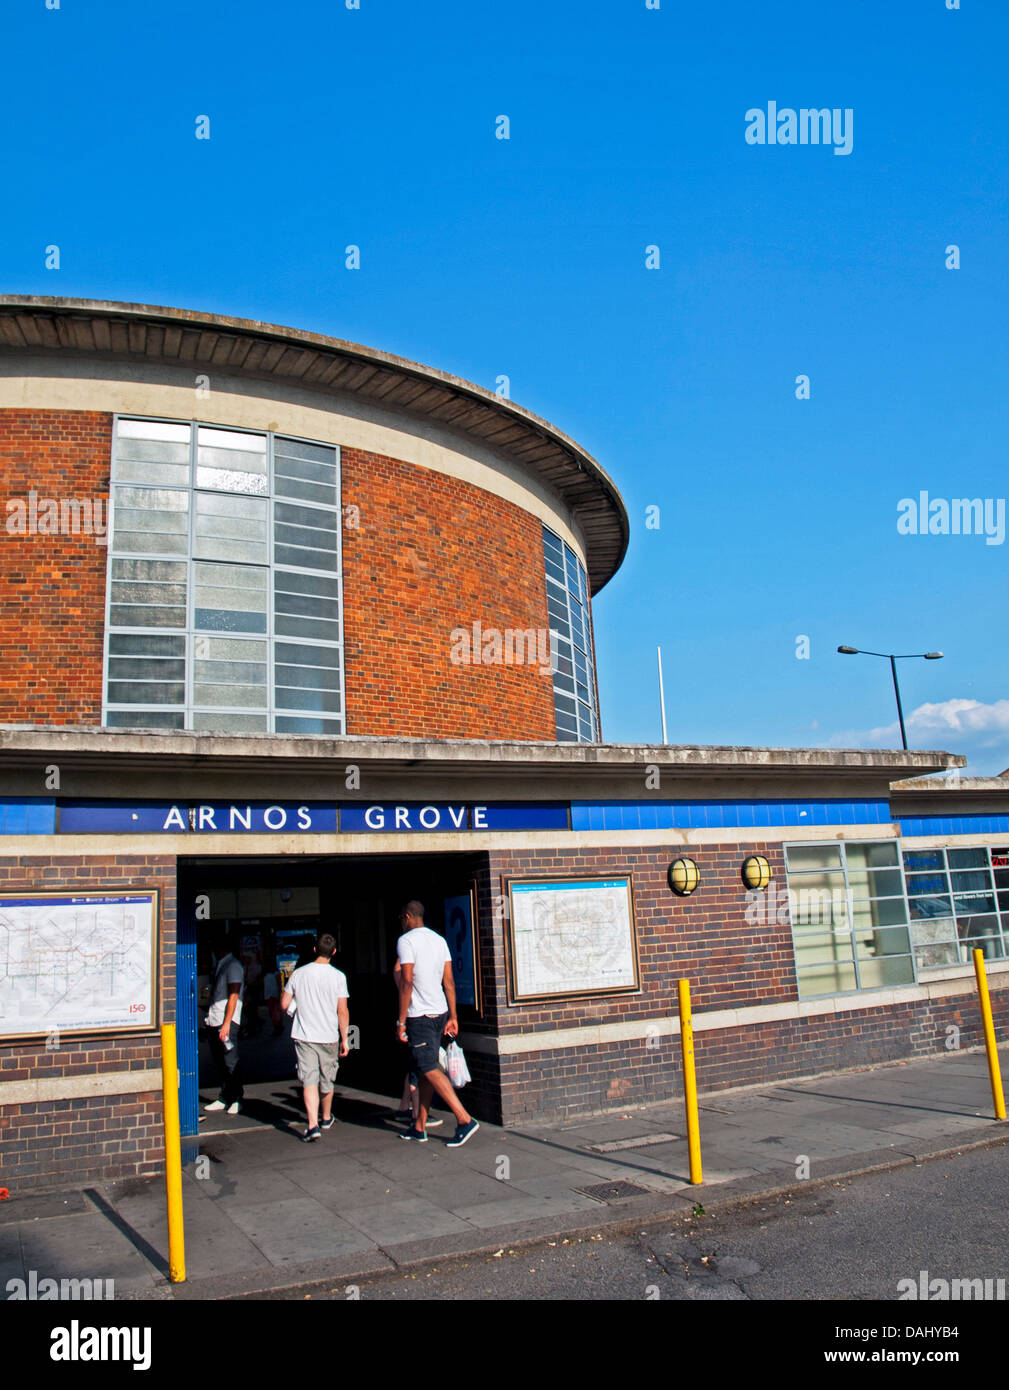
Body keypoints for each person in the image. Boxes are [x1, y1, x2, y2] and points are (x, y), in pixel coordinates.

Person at [396, 901, 479, 1147]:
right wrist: (453, 1016)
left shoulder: (406, 941)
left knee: (428, 1067)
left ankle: (464, 1120)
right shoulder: (439, 940)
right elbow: (449, 981)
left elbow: (407, 982)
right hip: (440, 1012)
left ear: (408, 916)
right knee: (425, 1069)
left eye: (402, 918)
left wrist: (400, 1021)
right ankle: (419, 1126)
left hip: (419, 1016)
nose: (402, 922)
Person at [280, 932, 350, 1142]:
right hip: (329, 1035)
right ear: (334, 952)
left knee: (309, 1079)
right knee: (327, 1079)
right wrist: (345, 1039)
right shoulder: (339, 977)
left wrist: (296, 1005)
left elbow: (284, 1004)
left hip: (304, 1036)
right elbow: (342, 1011)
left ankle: (312, 1125)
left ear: (314, 950)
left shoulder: (299, 974)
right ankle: (326, 1117)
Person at [204, 929, 245, 1116]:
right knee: (220, 1061)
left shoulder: (233, 966)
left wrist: (227, 1023)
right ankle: (224, 1096)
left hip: (226, 1021)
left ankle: (237, 1098)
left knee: (230, 1061)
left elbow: (234, 995)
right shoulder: (221, 965)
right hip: (214, 1018)